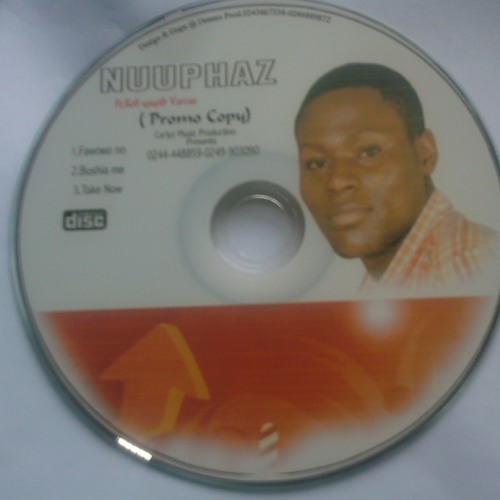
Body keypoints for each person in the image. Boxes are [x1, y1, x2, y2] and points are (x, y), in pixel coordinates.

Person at [295, 63, 497, 292]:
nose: (337, 181)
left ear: (425, 153)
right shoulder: (389, 281)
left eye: (368, 152)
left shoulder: (468, 263)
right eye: (317, 163)